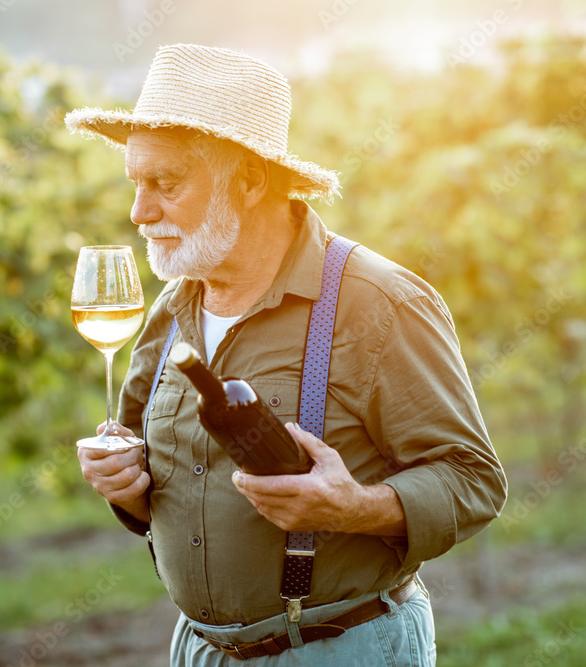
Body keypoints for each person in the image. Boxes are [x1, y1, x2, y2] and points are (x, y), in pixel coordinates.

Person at [67, 43, 507, 666]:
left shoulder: (376, 302)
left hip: (338, 650)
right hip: (198, 652)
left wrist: (354, 508)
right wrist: (125, 484)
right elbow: (157, 480)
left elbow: (473, 480)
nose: (138, 212)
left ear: (248, 180)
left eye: (164, 184)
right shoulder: (171, 310)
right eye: (136, 183)